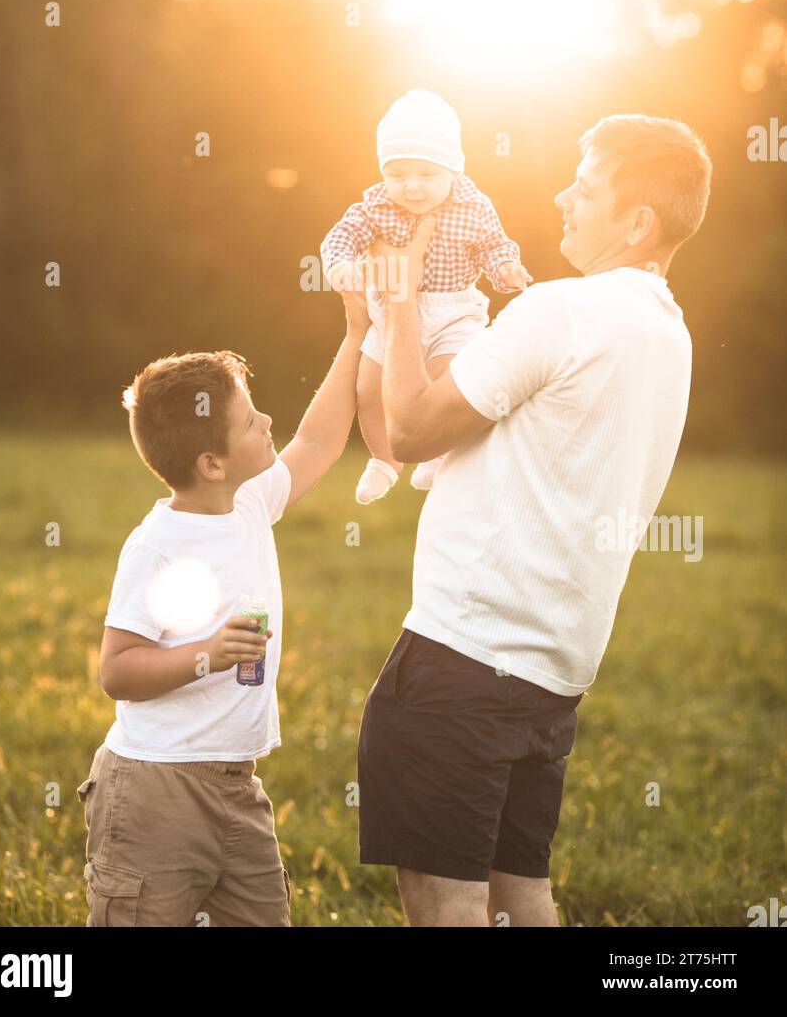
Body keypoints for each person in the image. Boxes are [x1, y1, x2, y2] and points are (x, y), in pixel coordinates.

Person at [356, 114, 713, 927]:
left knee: (448, 905)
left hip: (464, 658)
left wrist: (401, 304)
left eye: (585, 188)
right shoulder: (668, 334)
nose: (563, 197)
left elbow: (408, 429)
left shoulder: (564, 311)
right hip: (552, 673)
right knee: (520, 900)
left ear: (637, 223)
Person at [75, 287, 369, 926]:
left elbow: (317, 444)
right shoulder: (157, 545)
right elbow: (116, 671)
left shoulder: (249, 503)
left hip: (237, 788)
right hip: (156, 790)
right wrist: (204, 657)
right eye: (251, 422)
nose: (268, 424)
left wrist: (356, 336)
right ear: (211, 463)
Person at [320, 88, 530, 503]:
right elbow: (342, 235)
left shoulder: (473, 206)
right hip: (393, 312)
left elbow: (494, 245)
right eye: (397, 175)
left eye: (426, 175)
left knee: (443, 379)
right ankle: (384, 459)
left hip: (453, 312)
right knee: (369, 389)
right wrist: (340, 263)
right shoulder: (375, 206)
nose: (411, 187)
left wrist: (506, 269)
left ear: (453, 168)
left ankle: (437, 454)